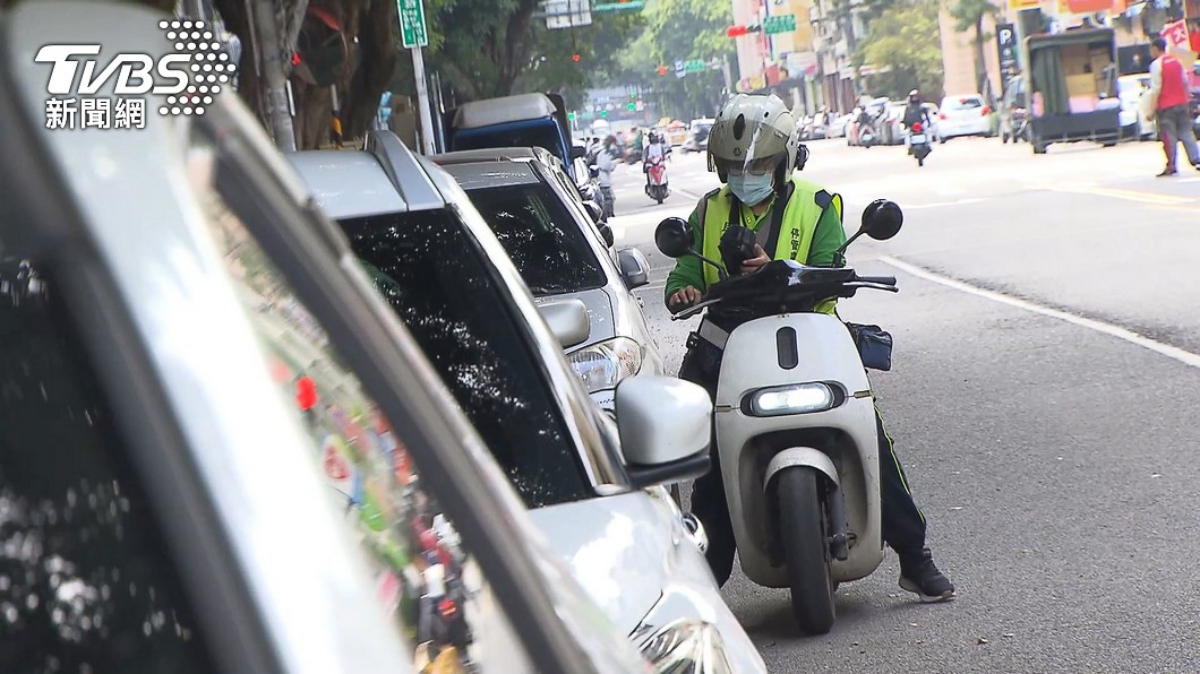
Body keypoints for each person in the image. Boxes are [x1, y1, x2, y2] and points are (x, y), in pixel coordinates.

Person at [664, 93, 956, 603]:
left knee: (871, 440)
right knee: (709, 461)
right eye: (734, 166)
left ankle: (916, 557)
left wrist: (778, 269)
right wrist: (684, 291)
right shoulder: (707, 210)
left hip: (811, 337)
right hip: (728, 348)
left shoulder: (818, 203)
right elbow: (684, 274)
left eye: (757, 164)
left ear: (784, 161)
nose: (744, 173)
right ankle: (703, 588)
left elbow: (830, 265)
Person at [1147, 37, 1200, 176]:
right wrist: (1187, 98)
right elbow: (1184, 82)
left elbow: (1156, 89)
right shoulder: (1177, 61)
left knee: (1168, 135)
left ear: (1155, 49)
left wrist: (1151, 110)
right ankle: (1196, 159)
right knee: (1186, 132)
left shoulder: (1157, 65)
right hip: (1182, 104)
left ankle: (1171, 165)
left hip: (1166, 106)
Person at [595, 135, 617, 219]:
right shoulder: (605, 153)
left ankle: (609, 214)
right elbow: (606, 165)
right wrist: (614, 164)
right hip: (604, 179)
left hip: (603, 178)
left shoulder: (603, 152)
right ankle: (609, 214)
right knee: (609, 199)